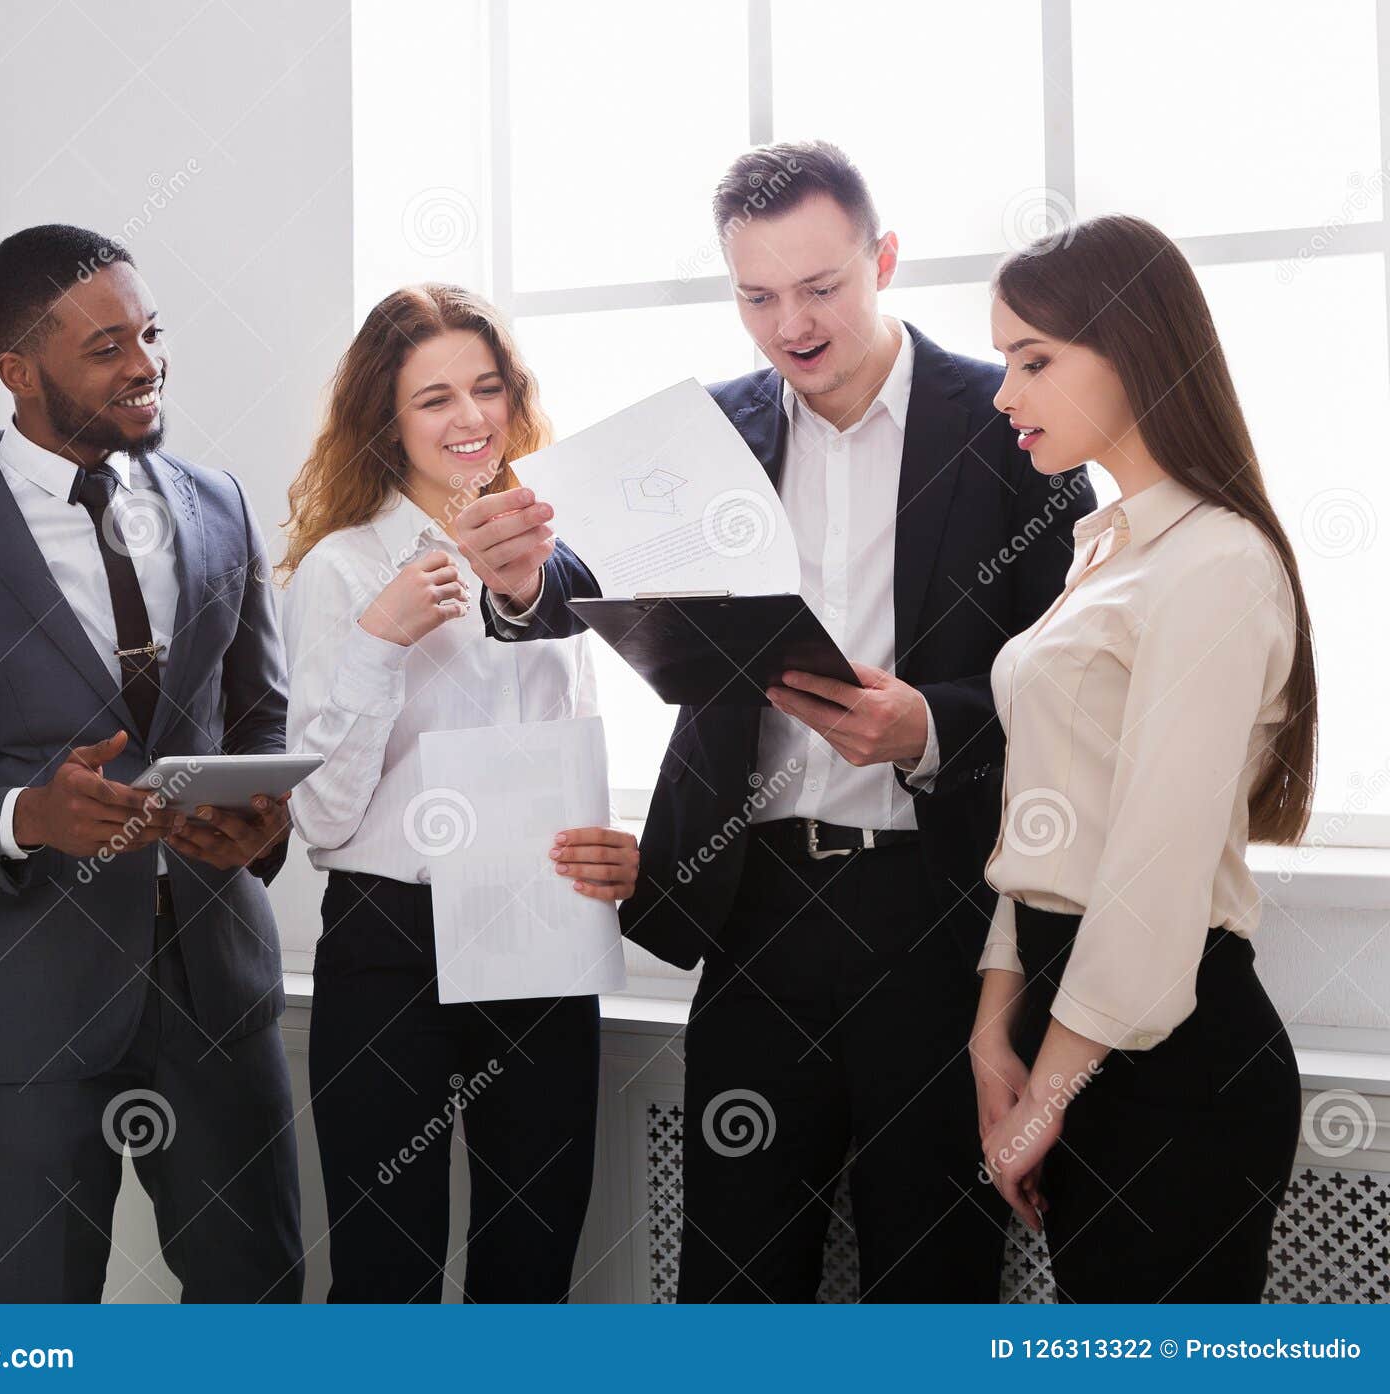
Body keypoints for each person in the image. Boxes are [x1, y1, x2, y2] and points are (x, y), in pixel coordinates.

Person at [454, 141, 1094, 1301]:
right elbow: (585, 578)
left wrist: (929, 730)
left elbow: (1077, 687)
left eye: (820, 287)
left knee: (932, 1276)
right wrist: (513, 582)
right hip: (754, 913)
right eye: (757, 296)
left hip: (936, 917)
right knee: (733, 1278)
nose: (790, 324)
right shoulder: (705, 430)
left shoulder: (1009, 425)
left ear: (883, 260)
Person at [0, 225, 303, 1302]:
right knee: (36, 1326)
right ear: (18, 370)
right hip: (36, 1008)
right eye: (105, 347)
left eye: (149, 331)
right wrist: (26, 818)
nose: (144, 364)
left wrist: (259, 816)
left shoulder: (217, 500)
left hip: (217, 987)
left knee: (259, 1308)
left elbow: (260, 718)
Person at [972, 213, 1313, 1302]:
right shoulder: (1105, 547)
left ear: (1135, 349)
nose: (1003, 396)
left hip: (1174, 1067)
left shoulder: (1214, 560)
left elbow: (1154, 869)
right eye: (1002, 363)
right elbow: (1044, 816)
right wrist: (994, 1028)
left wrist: (1046, 1093)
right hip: (1077, 1028)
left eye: (1034, 360)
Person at [279, 283, 637, 1302]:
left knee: (532, 1261)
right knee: (384, 1268)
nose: (468, 416)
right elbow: (321, 817)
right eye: (432, 397)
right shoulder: (343, 570)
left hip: (542, 928)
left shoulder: (565, 561)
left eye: (485, 387)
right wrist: (379, 643)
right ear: (386, 423)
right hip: (392, 939)